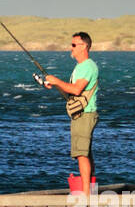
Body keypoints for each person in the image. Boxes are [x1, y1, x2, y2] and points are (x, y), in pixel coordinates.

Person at [34, 32, 99, 194]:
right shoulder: (81, 67)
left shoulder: (88, 66)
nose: (70, 48)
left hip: (85, 114)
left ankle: (86, 194)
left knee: (81, 154)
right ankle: (89, 189)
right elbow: (72, 89)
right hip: (81, 115)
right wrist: (54, 84)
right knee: (85, 153)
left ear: (84, 46)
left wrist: (56, 81)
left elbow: (76, 90)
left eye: (74, 45)